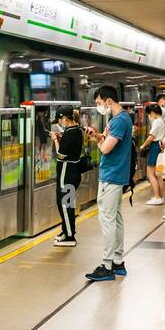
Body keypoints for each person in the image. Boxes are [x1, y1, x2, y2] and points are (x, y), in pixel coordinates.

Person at [84, 86, 133, 282]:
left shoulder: (119, 121)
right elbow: (107, 142)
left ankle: (106, 265)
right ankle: (118, 262)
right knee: (116, 218)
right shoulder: (121, 119)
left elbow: (105, 149)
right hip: (116, 174)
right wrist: (97, 136)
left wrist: (99, 142)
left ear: (108, 101)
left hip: (111, 175)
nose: (98, 107)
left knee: (107, 219)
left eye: (99, 103)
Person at [51, 106, 84, 244]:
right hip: (74, 170)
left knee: (64, 203)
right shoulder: (77, 130)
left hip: (67, 171)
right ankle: (67, 230)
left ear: (64, 118)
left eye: (59, 120)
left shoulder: (69, 133)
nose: (59, 123)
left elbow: (61, 155)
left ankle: (69, 235)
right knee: (68, 203)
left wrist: (55, 140)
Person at [140, 102, 165, 205]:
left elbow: (151, 136)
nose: (149, 117)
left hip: (155, 147)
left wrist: (143, 145)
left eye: (149, 114)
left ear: (153, 113)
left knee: (150, 174)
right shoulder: (163, 121)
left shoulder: (156, 122)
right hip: (160, 147)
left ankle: (156, 197)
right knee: (158, 175)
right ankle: (161, 197)